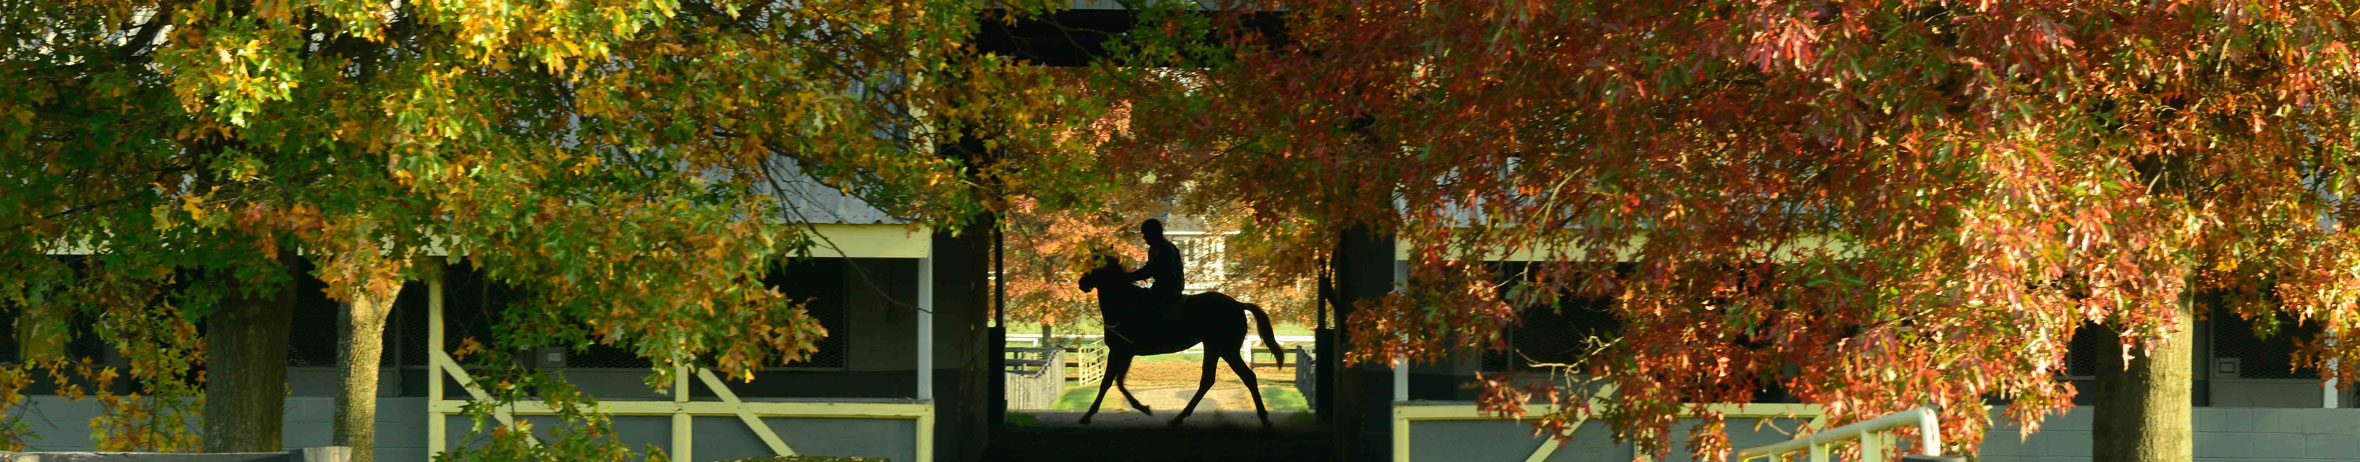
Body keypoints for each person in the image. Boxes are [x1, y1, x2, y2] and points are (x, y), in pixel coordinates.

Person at [1125, 219, 1186, 320]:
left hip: (1170, 289)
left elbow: (1152, 271)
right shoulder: (1154, 249)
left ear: (1153, 233)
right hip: (1161, 287)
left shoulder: (1166, 249)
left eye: (1145, 234)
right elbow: (1149, 269)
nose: (1143, 237)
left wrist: (1130, 277)